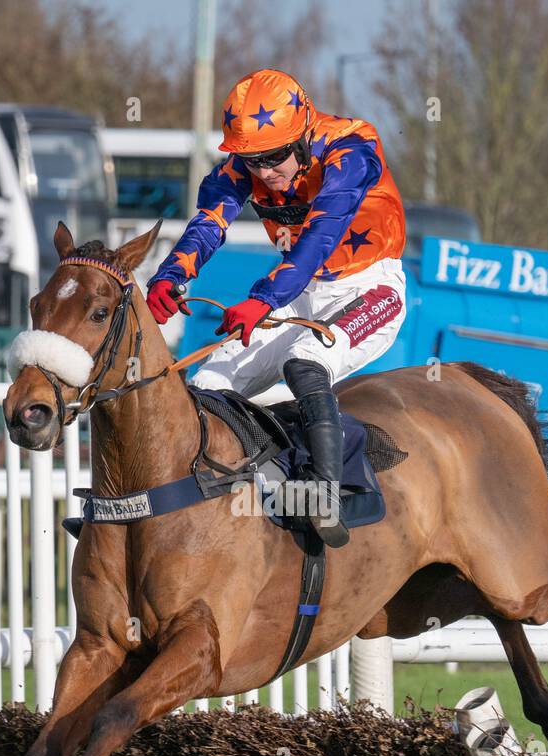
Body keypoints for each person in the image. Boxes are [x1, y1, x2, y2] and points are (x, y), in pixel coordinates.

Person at [146, 68, 407, 547]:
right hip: (299, 291)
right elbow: (210, 222)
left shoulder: (352, 149)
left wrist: (262, 299)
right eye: (250, 160)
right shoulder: (244, 169)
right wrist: (170, 276)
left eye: (273, 157)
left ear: (304, 134)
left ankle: (332, 493)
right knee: (209, 386)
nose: (264, 172)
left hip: (370, 287)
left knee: (303, 363)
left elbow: (320, 237)